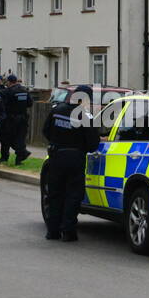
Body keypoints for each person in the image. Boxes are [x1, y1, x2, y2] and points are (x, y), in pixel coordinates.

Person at [41, 84, 103, 242]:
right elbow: (92, 144)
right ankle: (68, 232)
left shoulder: (57, 110)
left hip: (56, 156)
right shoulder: (85, 116)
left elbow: (45, 131)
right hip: (75, 159)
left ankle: (52, 231)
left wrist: (57, 142)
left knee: (55, 194)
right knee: (73, 196)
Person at [0, 73, 33, 165]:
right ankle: (19, 159)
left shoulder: (8, 91)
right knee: (20, 138)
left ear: (9, 82)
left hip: (10, 119)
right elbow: (30, 103)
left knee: (5, 138)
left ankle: (5, 157)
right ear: (16, 81)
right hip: (23, 119)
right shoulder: (25, 90)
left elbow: (1, 100)